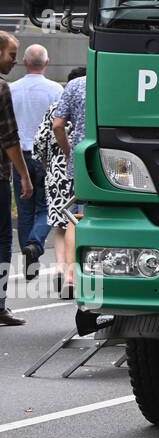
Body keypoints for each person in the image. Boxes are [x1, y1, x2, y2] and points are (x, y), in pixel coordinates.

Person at [10, 44, 63, 280]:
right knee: (47, 206)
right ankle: (35, 244)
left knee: (25, 210)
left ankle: (30, 262)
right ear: (47, 62)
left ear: (24, 62)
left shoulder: (11, 89)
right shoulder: (55, 90)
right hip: (46, 157)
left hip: (17, 156)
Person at [35, 68, 82, 300]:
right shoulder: (91, 102)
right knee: (81, 220)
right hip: (85, 168)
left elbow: (40, 142)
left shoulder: (55, 109)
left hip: (56, 173)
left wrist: (48, 164)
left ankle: (63, 271)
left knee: (61, 225)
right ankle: (79, 272)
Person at [0, 31, 34, 326]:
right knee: (1, 240)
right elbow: (9, 138)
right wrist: (23, 175)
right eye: (11, 55)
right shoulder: (1, 88)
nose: (14, 61)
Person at [52, 67, 87, 301]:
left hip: (82, 159)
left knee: (76, 218)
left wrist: (68, 153)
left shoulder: (75, 86)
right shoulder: (121, 79)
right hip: (121, 158)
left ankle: (71, 277)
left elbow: (57, 124)